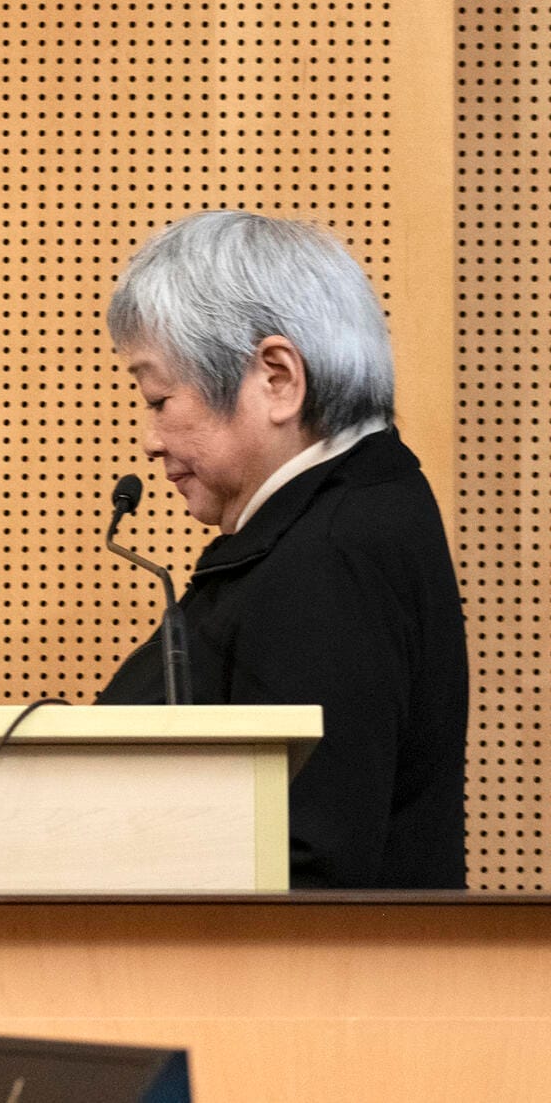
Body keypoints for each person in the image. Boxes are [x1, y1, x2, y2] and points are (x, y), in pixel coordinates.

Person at [94, 210, 467, 888]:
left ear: (277, 379)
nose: (149, 440)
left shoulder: (328, 560)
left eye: (158, 397)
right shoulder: (345, 520)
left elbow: (307, 867)